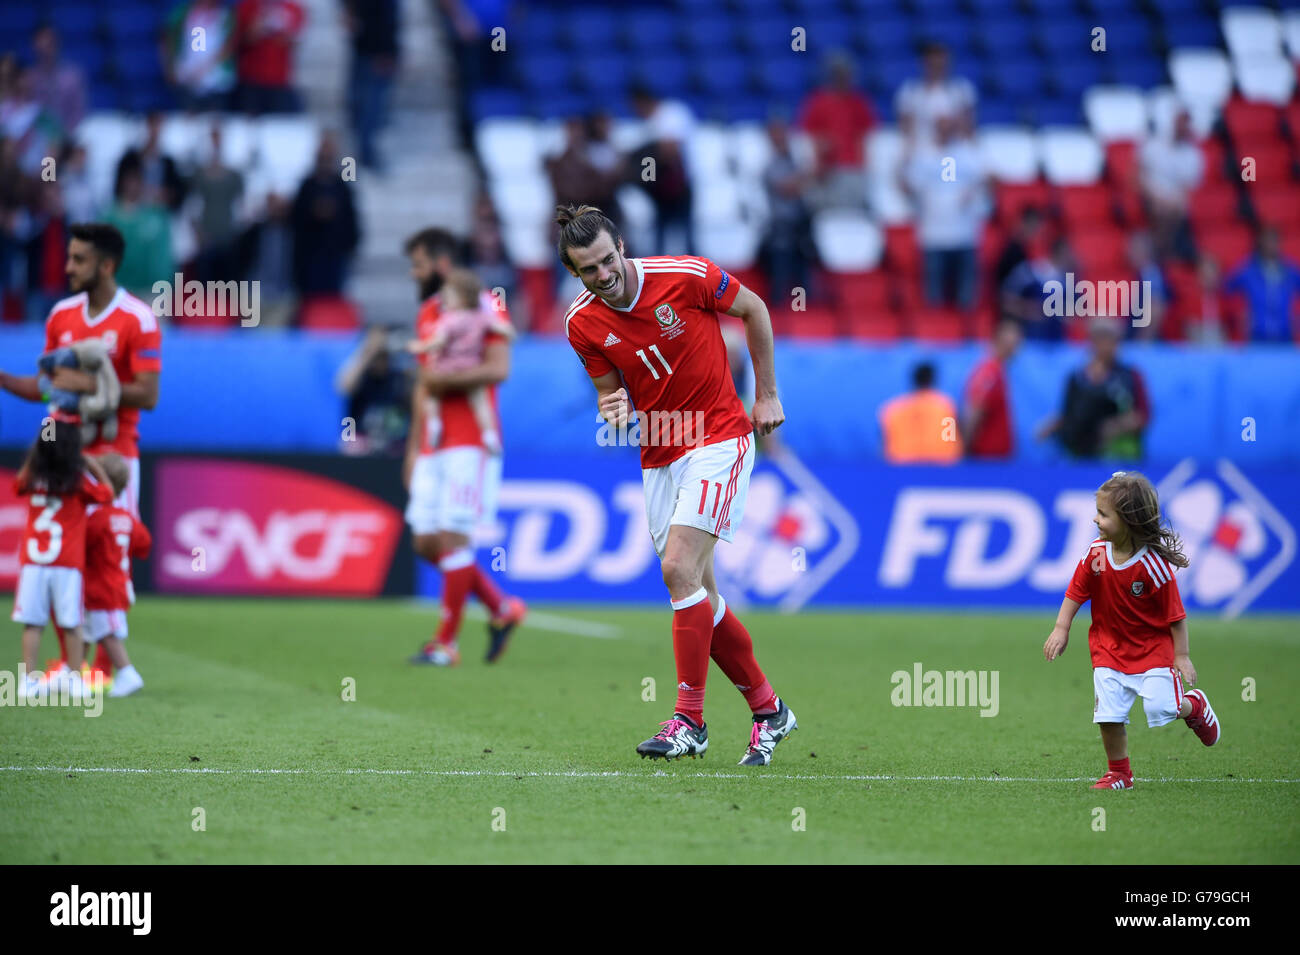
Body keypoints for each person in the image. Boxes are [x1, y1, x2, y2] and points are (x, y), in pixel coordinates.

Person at [557, 203, 797, 766]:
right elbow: (609, 393)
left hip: (718, 437)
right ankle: (769, 711)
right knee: (699, 595)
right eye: (589, 270)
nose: (603, 276)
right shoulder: (581, 323)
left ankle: (689, 719)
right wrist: (610, 407)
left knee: (676, 568)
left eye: (607, 260)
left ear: (621, 246)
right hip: (660, 454)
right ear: (575, 274)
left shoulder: (685, 275)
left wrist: (765, 393)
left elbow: (755, 309)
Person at [0, 222, 162, 676]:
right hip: (65, 453)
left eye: (79, 260)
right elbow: (49, 389)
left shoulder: (137, 319)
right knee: (65, 559)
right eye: (69, 257)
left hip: (114, 455)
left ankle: (110, 667)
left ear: (106, 266)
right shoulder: (61, 315)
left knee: (108, 554)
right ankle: (73, 664)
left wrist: (89, 384)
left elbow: (148, 395)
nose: (68, 267)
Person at [1043, 471, 1220, 790]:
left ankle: (1194, 707)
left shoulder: (1153, 566)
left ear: (1129, 520)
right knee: (1108, 715)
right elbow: (1076, 591)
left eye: (1103, 514)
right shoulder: (1096, 554)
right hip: (1107, 649)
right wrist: (1061, 628)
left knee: (1162, 707)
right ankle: (1119, 773)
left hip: (1153, 651)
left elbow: (1176, 616)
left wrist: (1182, 656)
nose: (1095, 519)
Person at [402, 228, 526, 666]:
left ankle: (445, 644)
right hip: (435, 444)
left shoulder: (484, 304)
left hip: (470, 440)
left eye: (417, 264)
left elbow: (499, 367)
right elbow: (423, 386)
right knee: (424, 541)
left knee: (454, 537)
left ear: (439, 264)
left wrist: (441, 378)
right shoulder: (428, 313)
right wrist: (414, 448)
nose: (413, 273)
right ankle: (502, 609)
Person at [11, 416, 113, 700]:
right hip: (67, 563)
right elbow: (106, 494)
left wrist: (36, 454)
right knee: (71, 623)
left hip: (33, 562)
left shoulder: (33, 477)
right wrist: (93, 466)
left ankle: (27, 681)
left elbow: (16, 485)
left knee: (32, 623)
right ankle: (74, 678)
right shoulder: (77, 481)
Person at [406, 266, 511, 455]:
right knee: (480, 402)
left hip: (446, 367)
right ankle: (489, 435)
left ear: (460, 298)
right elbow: (502, 328)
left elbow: (437, 342)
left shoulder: (448, 320)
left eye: (448, 295)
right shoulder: (482, 316)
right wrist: (511, 335)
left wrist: (418, 347)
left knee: (432, 395)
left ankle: (434, 424)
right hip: (470, 364)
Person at [898, 113, 988, 310]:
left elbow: (987, 178)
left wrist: (974, 192)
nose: (946, 131)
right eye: (941, 127)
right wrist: (902, 162)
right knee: (934, 298)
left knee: (967, 299)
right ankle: (935, 334)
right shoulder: (923, 155)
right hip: (933, 235)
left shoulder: (968, 153)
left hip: (965, 234)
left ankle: (968, 335)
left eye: (949, 127)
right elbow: (908, 186)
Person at [82, 453, 151, 697]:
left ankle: (127, 673)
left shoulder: (96, 519)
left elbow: (81, 546)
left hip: (101, 587)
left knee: (106, 634)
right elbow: (144, 544)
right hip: (118, 583)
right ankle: (74, 677)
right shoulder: (126, 518)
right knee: (85, 631)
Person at [1038, 319, 1149, 460]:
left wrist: (1118, 425)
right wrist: (1051, 426)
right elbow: (1067, 413)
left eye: (1109, 338)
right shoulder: (1077, 377)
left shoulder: (1130, 376)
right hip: (1080, 453)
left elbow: (1143, 415)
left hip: (1119, 456)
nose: (1104, 345)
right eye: (1099, 338)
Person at [797, 51, 876, 210]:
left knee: (853, 214)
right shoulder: (817, 103)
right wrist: (818, 165)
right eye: (837, 73)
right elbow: (809, 138)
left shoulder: (858, 102)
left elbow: (866, 137)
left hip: (853, 168)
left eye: (845, 73)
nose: (842, 77)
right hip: (827, 170)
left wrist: (863, 166)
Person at [333, 326, 412, 455]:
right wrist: (369, 351)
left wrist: (407, 353)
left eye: (383, 356)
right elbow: (343, 388)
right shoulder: (360, 375)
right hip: (358, 439)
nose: (380, 360)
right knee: (352, 445)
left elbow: (412, 400)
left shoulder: (399, 376)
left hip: (393, 441)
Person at [1138, 109, 1202, 263]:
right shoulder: (1154, 145)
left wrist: (1169, 200)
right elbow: (1138, 175)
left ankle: (1158, 247)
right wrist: (1154, 195)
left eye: (1185, 125)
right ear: (1174, 123)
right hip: (1149, 195)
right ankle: (1160, 250)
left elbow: (1187, 191)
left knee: (1175, 207)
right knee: (1164, 206)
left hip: (1173, 202)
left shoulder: (1194, 156)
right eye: (1180, 123)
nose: (1182, 128)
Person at [1223, 225, 1300, 343]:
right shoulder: (1247, 270)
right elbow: (1225, 289)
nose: (1271, 245)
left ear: (1280, 243)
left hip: (1285, 336)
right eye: (1267, 240)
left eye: (1274, 240)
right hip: (1257, 336)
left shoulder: (1291, 271)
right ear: (1260, 243)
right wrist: (1237, 314)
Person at [894, 41, 977, 147]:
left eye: (940, 63)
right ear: (924, 63)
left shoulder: (962, 89)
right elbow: (906, 128)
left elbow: (968, 126)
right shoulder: (910, 91)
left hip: (955, 146)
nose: (937, 66)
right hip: (922, 148)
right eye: (933, 63)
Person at [879, 362, 962, 463]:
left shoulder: (893, 408)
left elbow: (884, 444)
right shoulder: (946, 406)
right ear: (933, 380)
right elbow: (952, 440)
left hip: (902, 464)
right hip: (940, 464)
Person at [233, 0, 306, 114]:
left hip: (279, 80)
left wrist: (280, 28)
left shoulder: (293, 9)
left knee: (276, 127)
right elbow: (241, 40)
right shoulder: (248, 6)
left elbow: (294, 41)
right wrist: (261, 23)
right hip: (251, 79)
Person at [962, 319, 1021, 459]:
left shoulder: (998, 370)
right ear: (1000, 340)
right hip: (988, 461)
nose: (1018, 346)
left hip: (995, 459)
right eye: (1014, 341)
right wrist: (964, 452)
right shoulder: (990, 372)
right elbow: (974, 411)